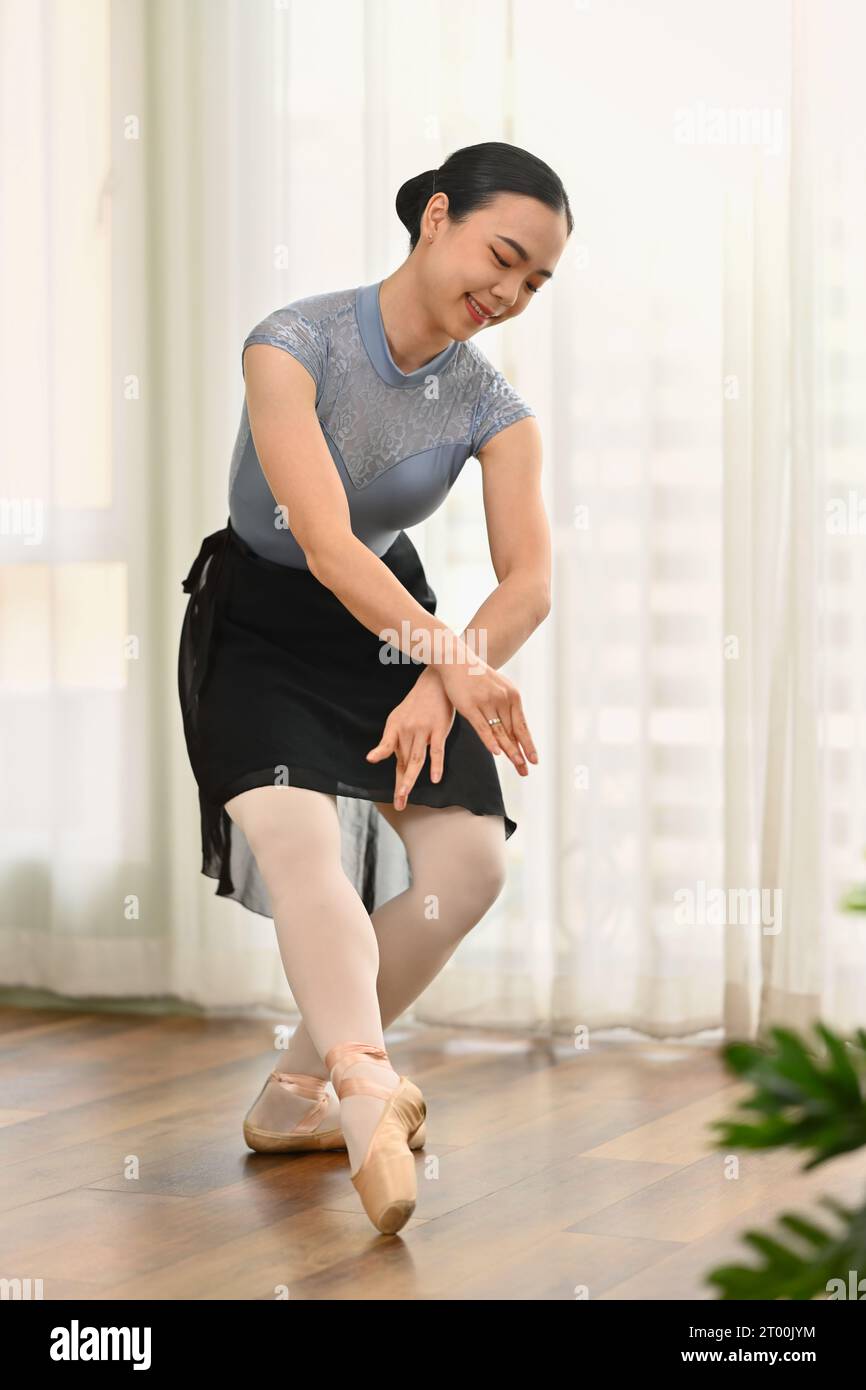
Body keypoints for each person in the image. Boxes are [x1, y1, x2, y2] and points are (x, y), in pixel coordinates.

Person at [177, 140, 572, 1234]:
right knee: (302, 848)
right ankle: (362, 1090)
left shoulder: (493, 406)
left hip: (396, 629)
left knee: (468, 864)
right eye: (500, 256)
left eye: (533, 283)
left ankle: (297, 1091)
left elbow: (528, 582)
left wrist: (440, 682)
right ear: (435, 217)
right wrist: (447, 659)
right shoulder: (290, 343)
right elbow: (325, 541)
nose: (506, 294)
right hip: (264, 617)